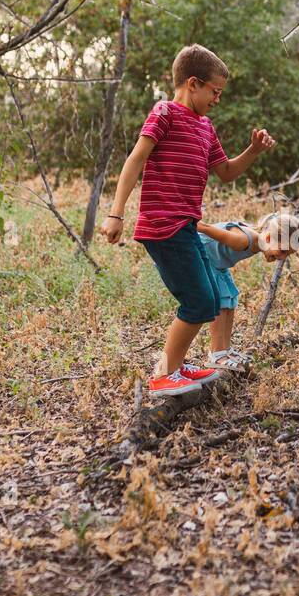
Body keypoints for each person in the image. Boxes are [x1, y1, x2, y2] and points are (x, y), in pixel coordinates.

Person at [99, 44, 276, 397]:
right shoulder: (164, 113)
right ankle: (163, 375)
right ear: (192, 83)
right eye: (215, 91)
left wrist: (253, 152)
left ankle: (177, 368)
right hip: (163, 225)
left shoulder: (205, 128)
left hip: (187, 225)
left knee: (210, 300)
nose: (217, 99)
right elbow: (135, 161)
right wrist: (116, 212)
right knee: (197, 301)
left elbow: (225, 172)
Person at [197, 212, 299, 370]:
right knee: (219, 301)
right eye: (282, 251)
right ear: (268, 239)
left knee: (229, 299)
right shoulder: (243, 240)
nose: (282, 258)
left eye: (287, 255)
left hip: (217, 264)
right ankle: (217, 354)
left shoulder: (256, 242)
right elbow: (203, 227)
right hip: (200, 256)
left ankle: (225, 350)